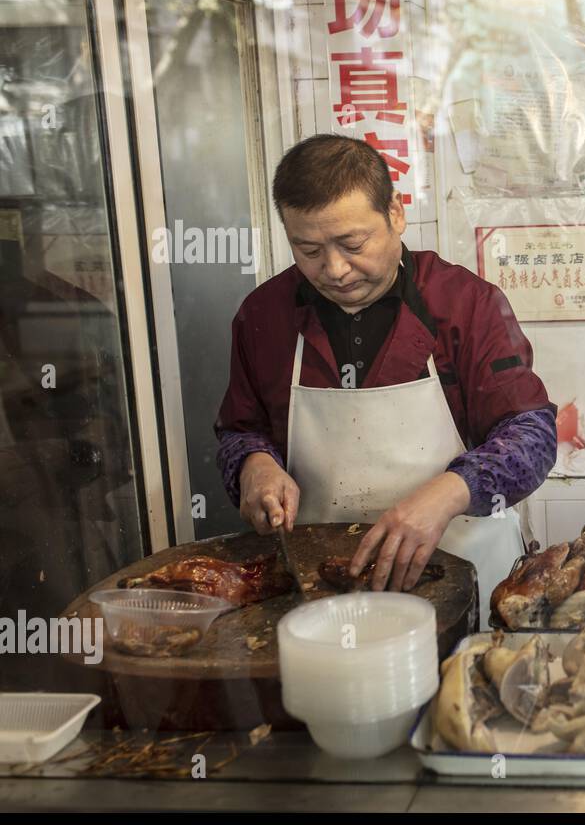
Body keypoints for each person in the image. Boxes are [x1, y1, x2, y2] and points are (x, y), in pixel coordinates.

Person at [215, 134, 555, 607]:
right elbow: (239, 431)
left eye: (352, 244)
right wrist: (253, 464)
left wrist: (451, 492)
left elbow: (532, 434)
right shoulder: (263, 316)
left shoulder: (466, 305)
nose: (334, 269)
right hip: (322, 585)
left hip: (465, 571)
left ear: (395, 213)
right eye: (308, 250)